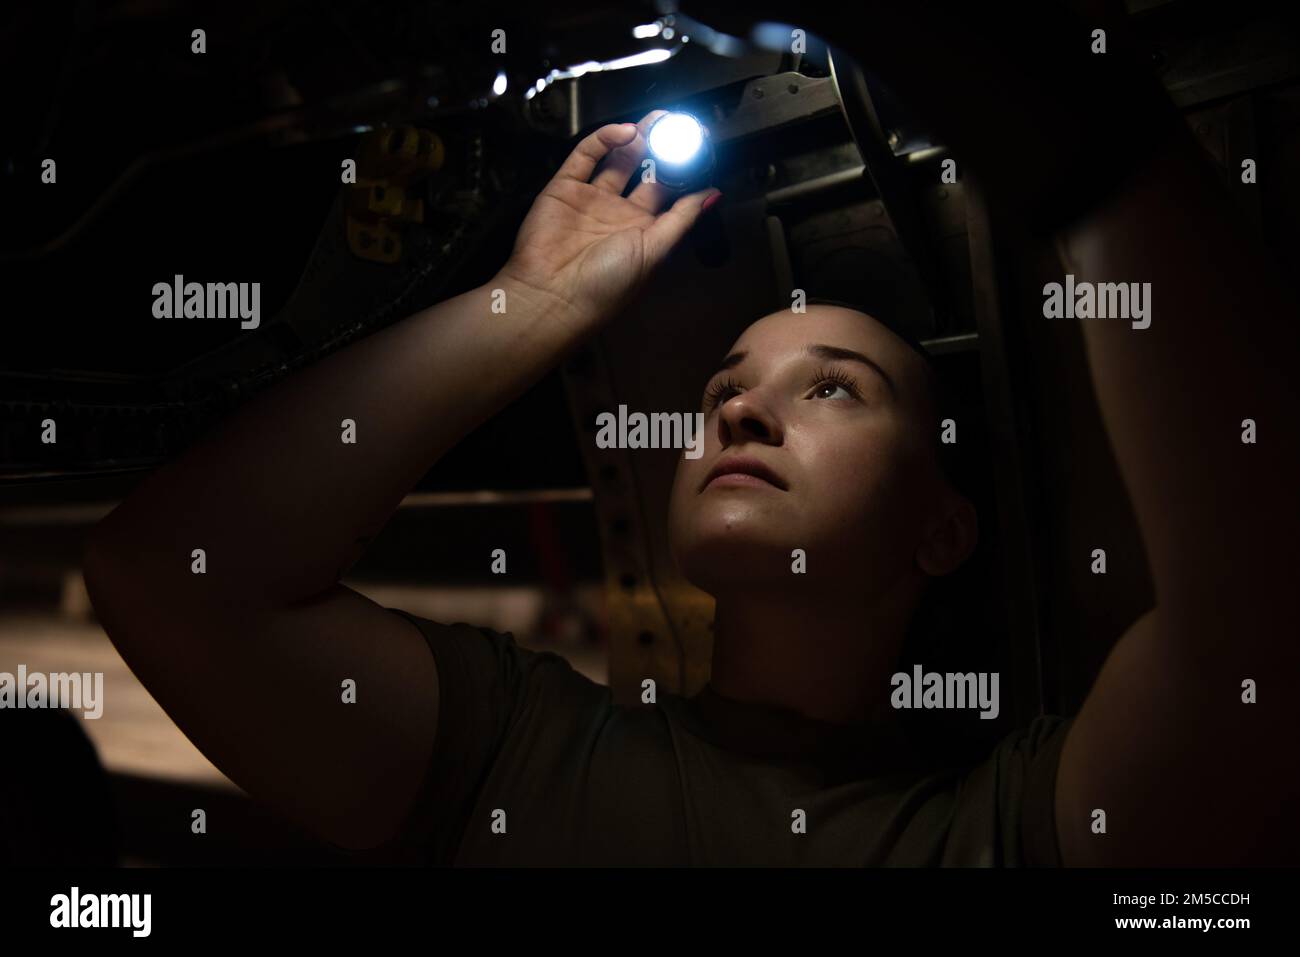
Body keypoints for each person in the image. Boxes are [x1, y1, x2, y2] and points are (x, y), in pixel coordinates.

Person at [83, 7, 1299, 866]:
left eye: (833, 390)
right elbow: (175, 578)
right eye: (728, 380)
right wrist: (535, 305)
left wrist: (1077, 137)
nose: (737, 406)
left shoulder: (1014, 828)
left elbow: (1254, 625)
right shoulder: (515, 755)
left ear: (943, 530)